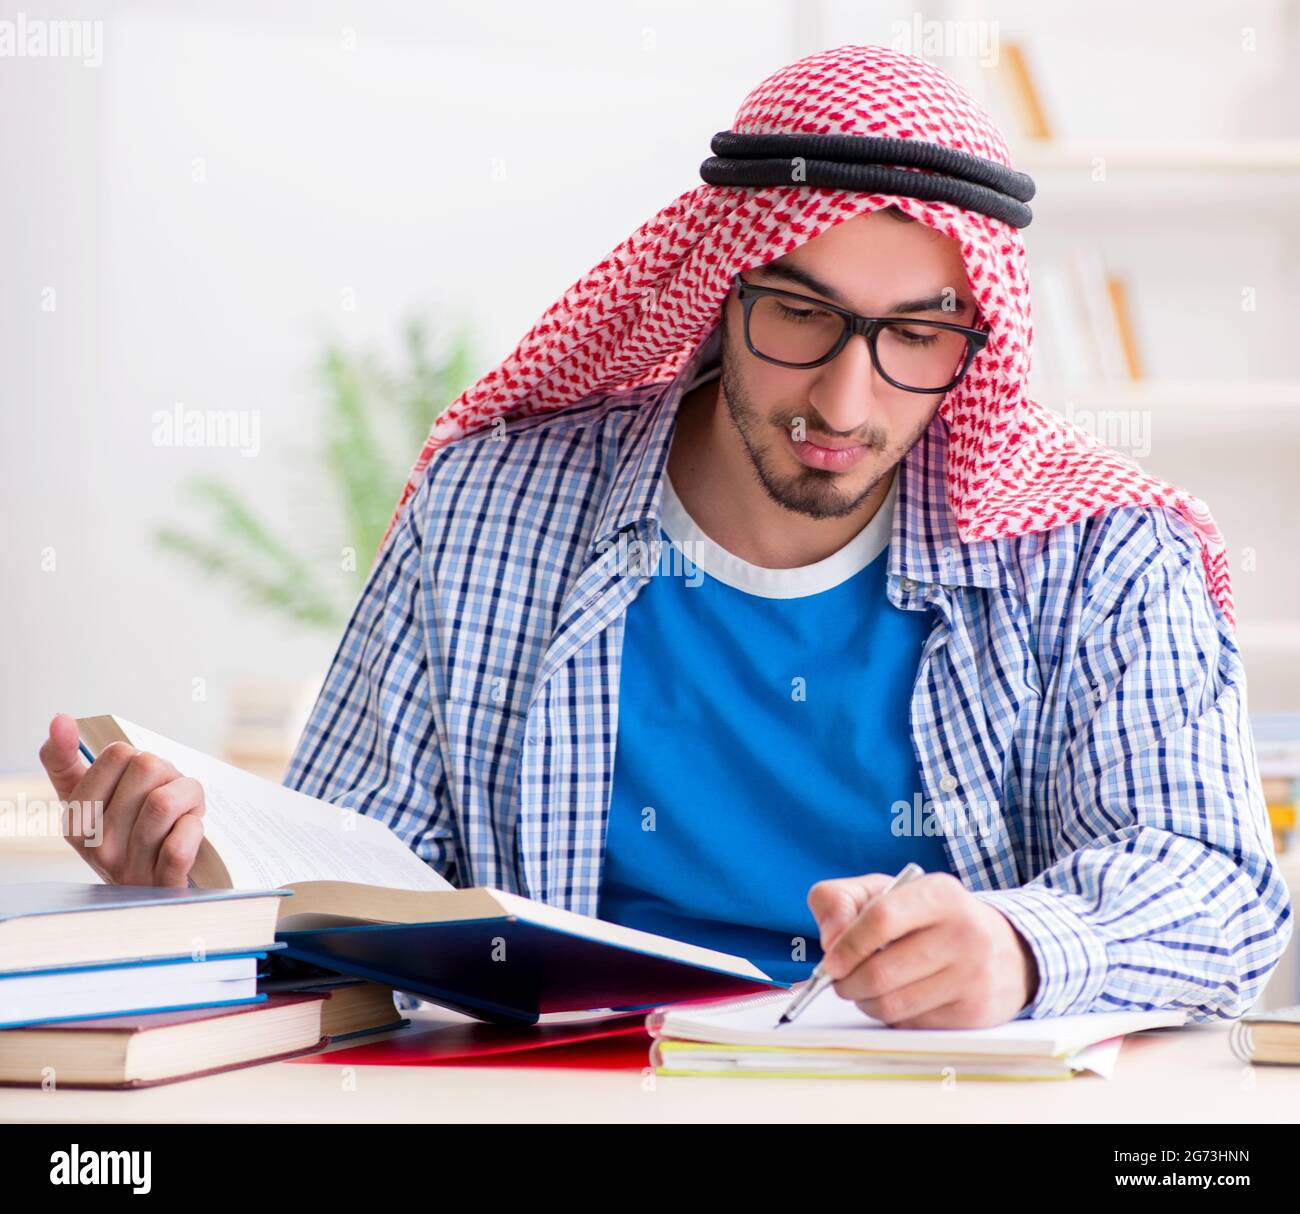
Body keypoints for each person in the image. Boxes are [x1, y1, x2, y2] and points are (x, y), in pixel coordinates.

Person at [41, 45, 1291, 1029]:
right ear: (715, 286)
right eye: (800, 315)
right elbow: (350, 890)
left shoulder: (1104, 554)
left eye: (916, 334)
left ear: (977, 335)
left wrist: (1021, 949)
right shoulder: (487, 510)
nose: (846, 404)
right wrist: (191, 877)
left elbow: (1221, 885)